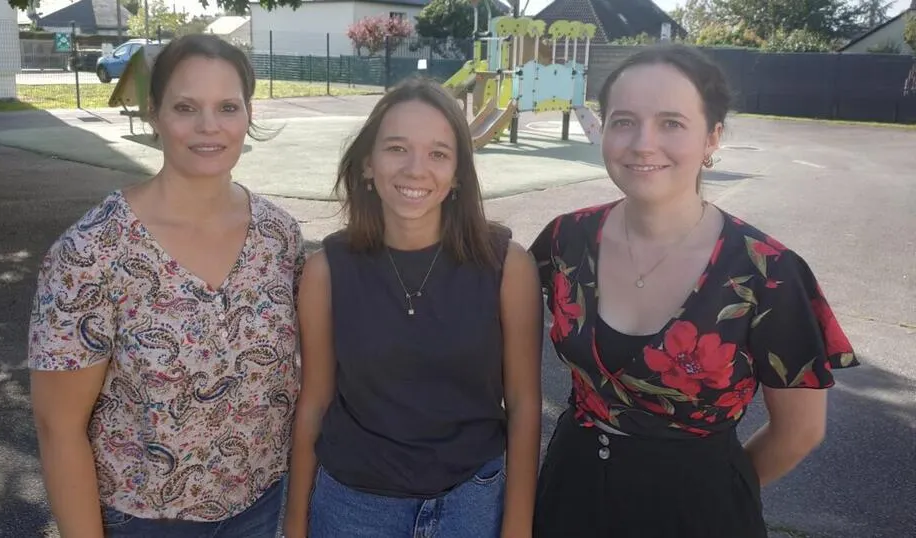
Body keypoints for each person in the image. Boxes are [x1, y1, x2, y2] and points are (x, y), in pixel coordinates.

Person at [530, 44, 859, 538]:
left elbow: (800, 432)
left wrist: (714, 488)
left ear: (712, 138)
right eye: (623, 121)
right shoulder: (564, 240)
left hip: (699, 511)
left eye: (671, 123)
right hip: (571, 495)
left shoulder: (765, 273)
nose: (643, 143)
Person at [28, 34, 305, 538]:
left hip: (262, 505)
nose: (209, 126)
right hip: (142, 520)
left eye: (227, 106)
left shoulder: (278, 236)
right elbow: (58, 427)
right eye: (186, 107)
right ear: (153, 111)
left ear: (247, 114)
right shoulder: (93, 252)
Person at [282, 77, 543, 538]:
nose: (415, 169)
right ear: (367, 163)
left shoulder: (508, 267)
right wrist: (296, 523)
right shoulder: (327, 271)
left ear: (459, 173)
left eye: (438, 154)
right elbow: (314, 402)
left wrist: (518, 526)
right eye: (397, 148)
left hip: (471, 504)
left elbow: (524, 406)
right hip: (353, 509)